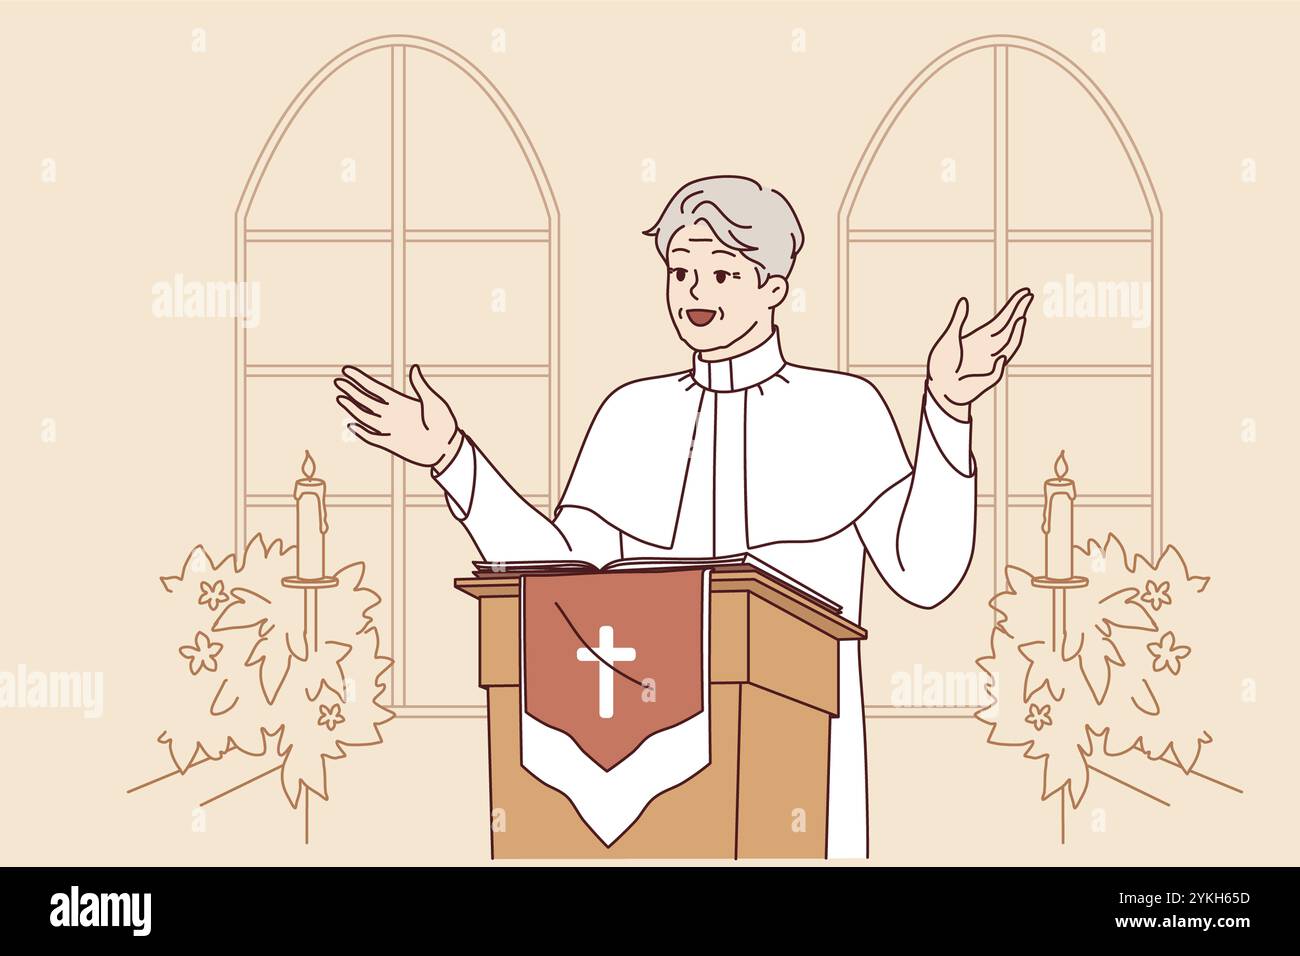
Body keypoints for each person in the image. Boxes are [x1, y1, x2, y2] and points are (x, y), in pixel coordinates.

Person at [334, 174, 1031, 857]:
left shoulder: (843, 412)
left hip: (796, 761)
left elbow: (926, 574)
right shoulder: (630, 415)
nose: (697, 293)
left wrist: (947, 409)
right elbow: (558, 573)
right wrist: (450, 457)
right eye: (681, 271)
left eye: (724, 274)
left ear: (774, 289)